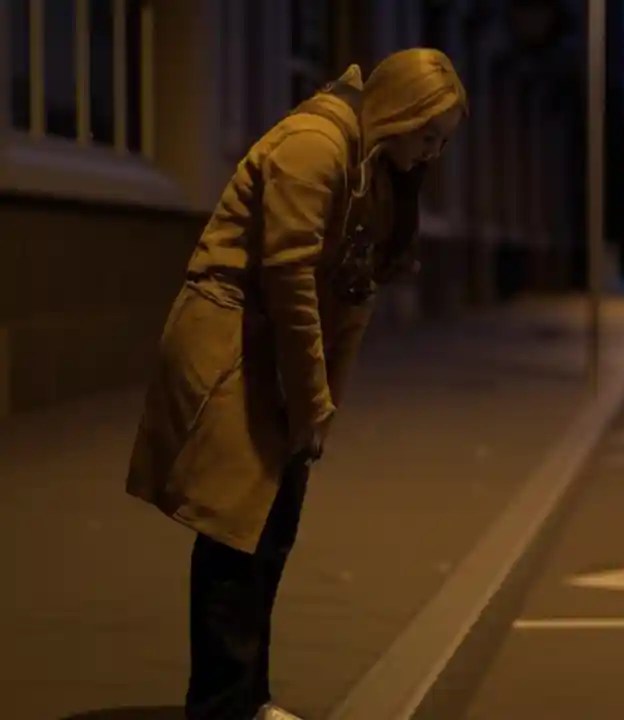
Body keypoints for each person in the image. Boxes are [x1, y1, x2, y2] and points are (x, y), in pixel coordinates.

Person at [124, 49, 467, 720]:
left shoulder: (374, 170)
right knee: (233, 536)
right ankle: (220, 706)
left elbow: (354, 295)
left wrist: (324, 403)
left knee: (270, 535)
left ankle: (249, 699)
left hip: (272, 351)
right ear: (399, 111)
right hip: (231, 342)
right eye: (428, 135)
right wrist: (312, 401)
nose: (432, 153)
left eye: (443, 142)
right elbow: (290, 283)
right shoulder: (316, 145)